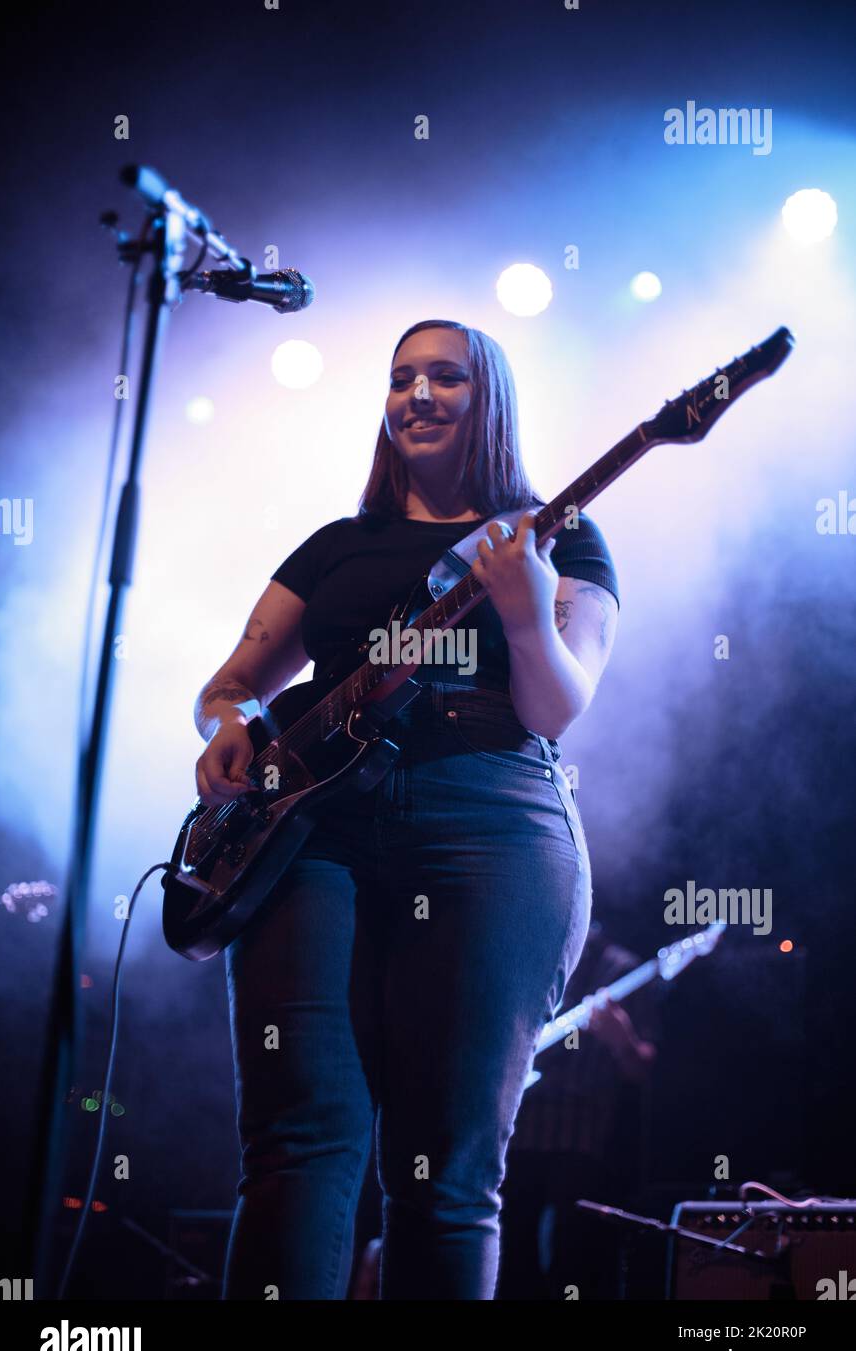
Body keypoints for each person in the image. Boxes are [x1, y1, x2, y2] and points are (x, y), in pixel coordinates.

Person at [192, 318, 620, 1300]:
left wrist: (520, 606)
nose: (415, 395)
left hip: (490, 826)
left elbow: (556, 704)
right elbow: (231, 684)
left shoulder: (562, 534)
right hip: (312, 830)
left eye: (444, 377)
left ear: (491, 399)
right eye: (399, 379)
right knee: (296, 1140)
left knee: (446, 1170)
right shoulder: (338, 546)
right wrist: (226, 723)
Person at [496, 922, 659, 1300]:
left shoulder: (623, 970)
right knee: (509, 1256)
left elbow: (643, 1069)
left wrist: (622, 1039)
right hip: (514, 1134)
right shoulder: (530, 957)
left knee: (569, 1256)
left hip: (579, 1144)